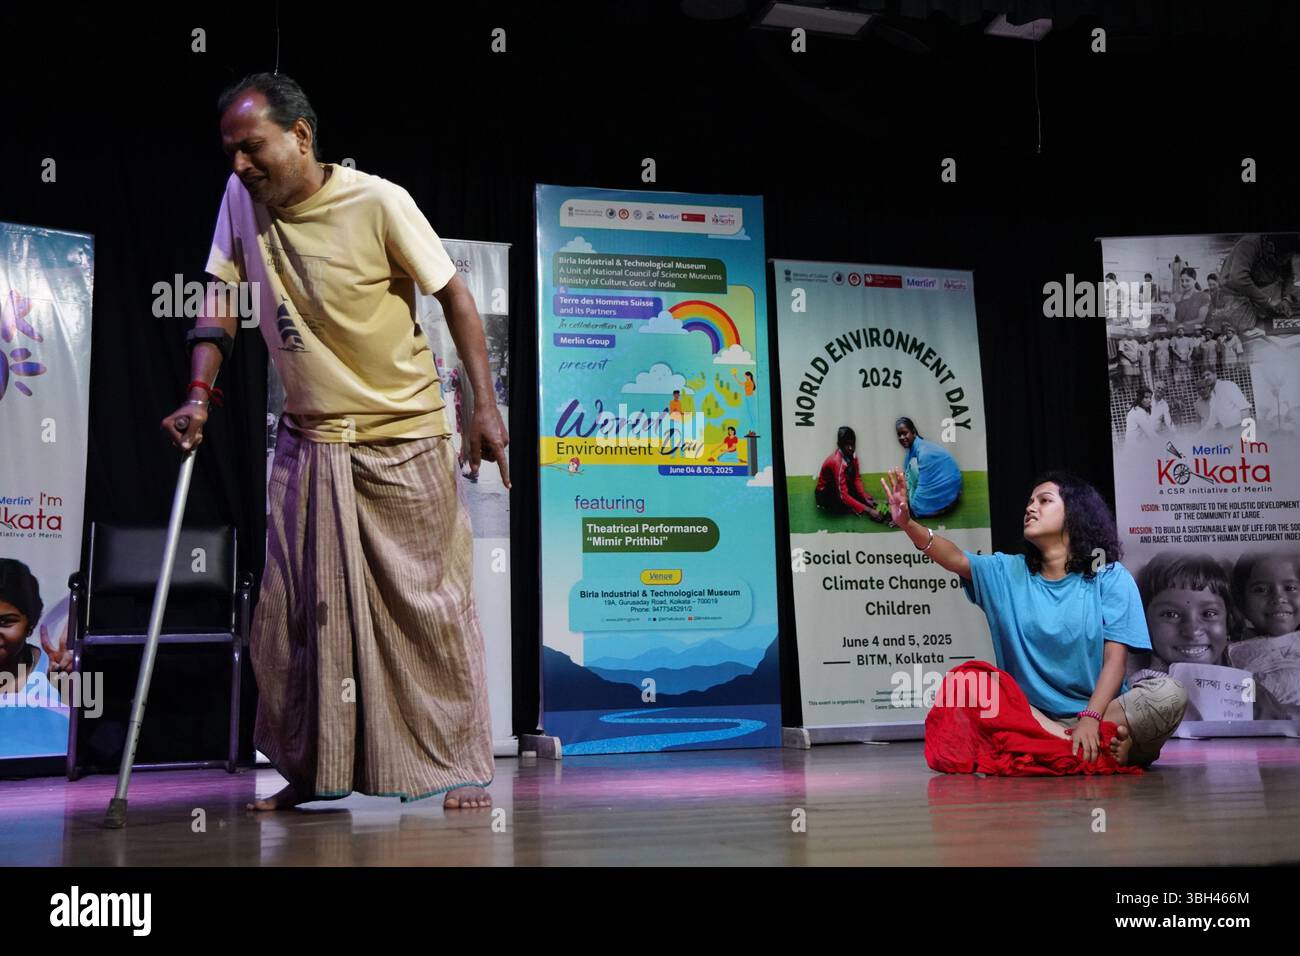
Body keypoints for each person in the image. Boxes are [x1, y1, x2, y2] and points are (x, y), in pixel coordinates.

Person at [162, 73, 507, 811]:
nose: (240, 167)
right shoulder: (238, 202)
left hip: (401, 434)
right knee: (296, 615)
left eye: (252, 148)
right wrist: (198, 395)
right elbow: (218, 304)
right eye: (230, 152)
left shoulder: (378, 200)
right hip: (308, 439)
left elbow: (454, 294)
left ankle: (458, 766)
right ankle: (314, 769)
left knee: (426, 609)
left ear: (302, 136)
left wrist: (486, 406)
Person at [880, 469, 1189, 768]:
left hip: (1104, 711)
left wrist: (1091, 718)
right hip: (1032, 717)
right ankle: (1098, 747)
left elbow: (1115, 661)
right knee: (969, 682)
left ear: (1074, 514)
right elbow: (955, 558)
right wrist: (908, 524)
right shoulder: (1006, 572)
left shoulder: (1108, 576)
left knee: (1169, 694)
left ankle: (1069, 745)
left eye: (1044, 500)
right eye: (1029, 502)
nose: (1031, 507)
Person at [894, 417, 962, 517]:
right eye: (899, 435)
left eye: (905, 433)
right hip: (947, 495)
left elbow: (924, 486)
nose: (902, 437)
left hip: (948, 496)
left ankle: (936, 507)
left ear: (913, 432)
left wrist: (910, 510)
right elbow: (908, 484)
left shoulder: (923, 453)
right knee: (908, 472)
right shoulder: (911, 454)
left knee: (912, 466)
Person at [814, 426, 884, 521]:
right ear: (839, 445)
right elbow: (843, 495)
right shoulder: (836, 461)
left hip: (838, 486)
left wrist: (864, 497)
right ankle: (848, 509)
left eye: (852, 444)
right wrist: (868, 510)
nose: (851, 448)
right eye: (846, 445)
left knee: (858, 494)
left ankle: (863, 503)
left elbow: (856, 478)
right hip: (825, 494)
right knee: (843, 502)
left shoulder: (853, 455)